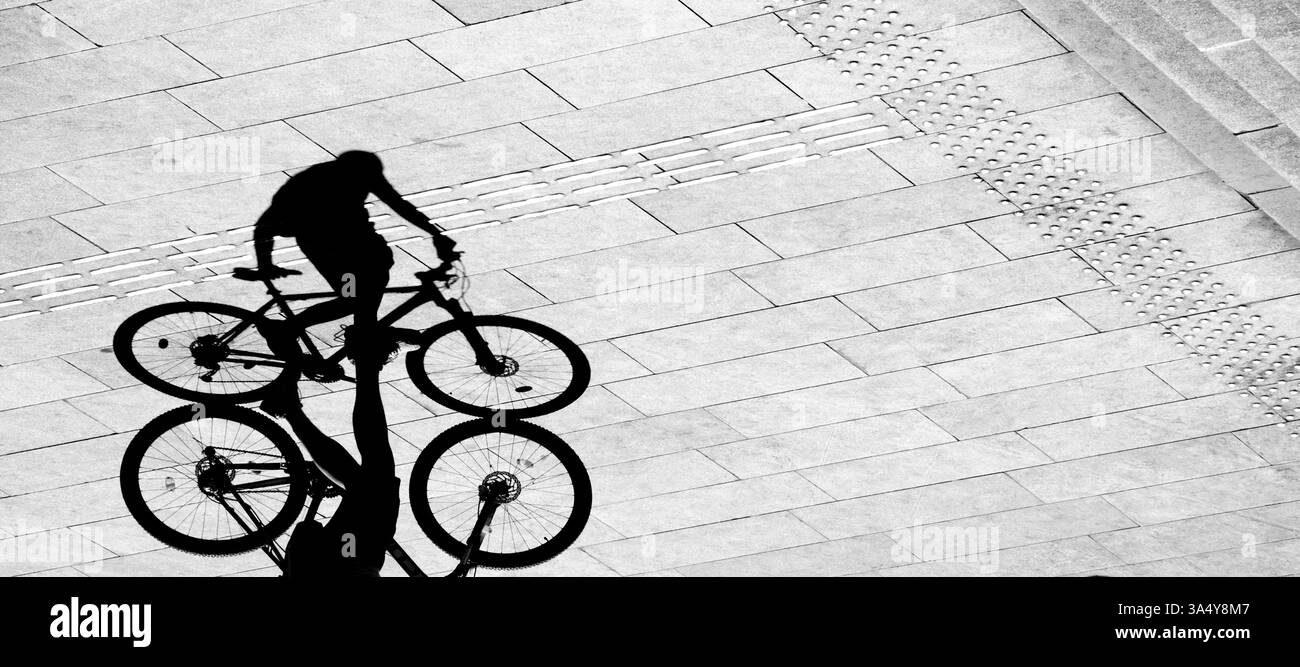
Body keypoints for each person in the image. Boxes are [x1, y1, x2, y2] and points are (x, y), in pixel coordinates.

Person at [251, 150, 459, 361]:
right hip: (330, 250)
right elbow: (265, 226)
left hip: (357, 241)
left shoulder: (360, 173)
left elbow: (397, 204)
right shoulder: (311, 181)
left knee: (377, 267)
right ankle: (290, 330)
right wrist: (265, 265)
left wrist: (435, 234)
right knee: (352, 297)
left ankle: (365, 334)